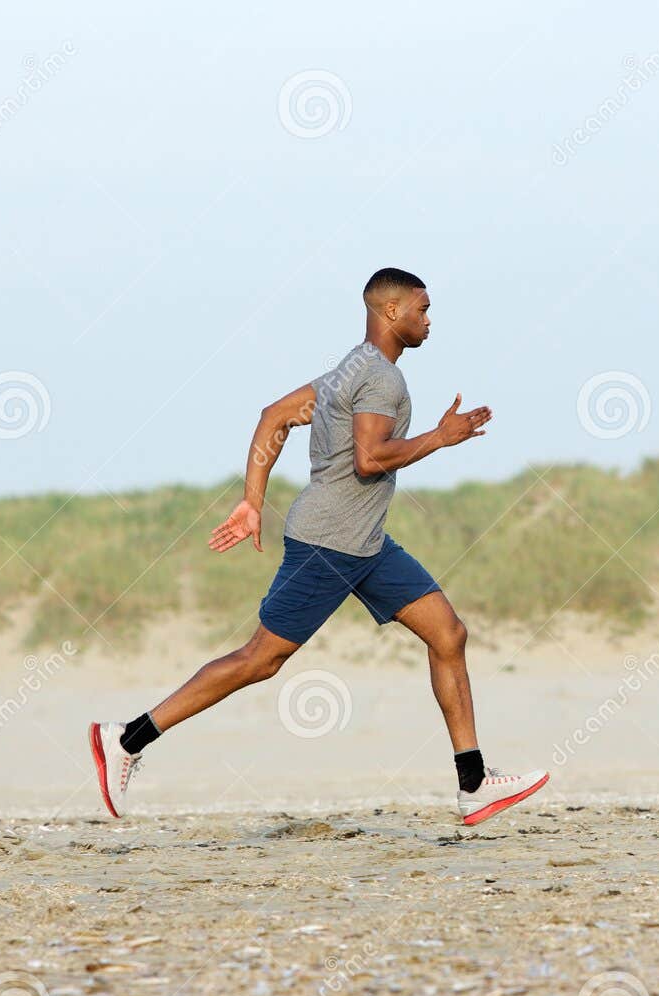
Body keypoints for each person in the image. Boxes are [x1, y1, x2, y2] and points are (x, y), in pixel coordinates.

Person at [88, 268, 549, 825]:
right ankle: (126, 739)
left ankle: (473, 781)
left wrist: (252, 501)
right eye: (423, 309)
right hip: (329, 544)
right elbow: (369, 459)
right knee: (259, 660)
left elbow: (273, 417)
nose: (430, 321)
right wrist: (438, 437)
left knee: (447, 633)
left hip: (366, 544)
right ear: (391, 312)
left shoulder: (347, 370)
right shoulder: (382, 380)